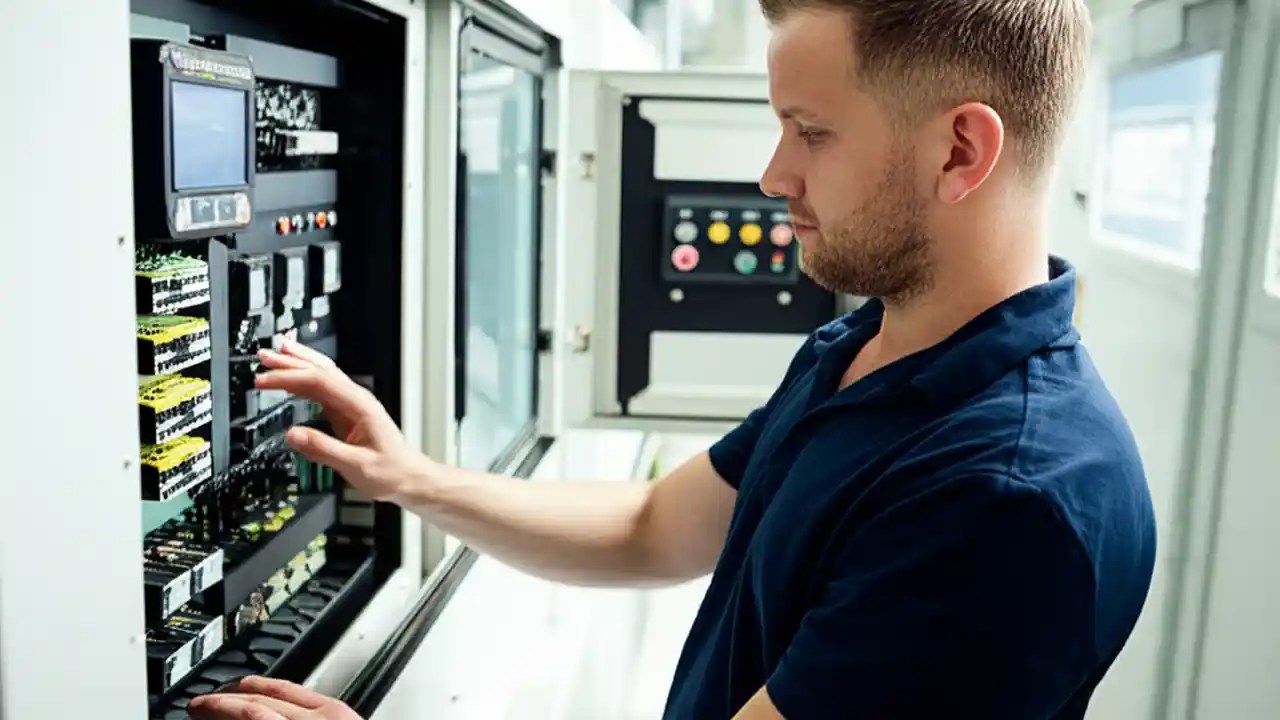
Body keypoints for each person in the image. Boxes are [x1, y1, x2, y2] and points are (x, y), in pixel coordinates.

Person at [190, 0, 1157, 718]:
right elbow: (655, 525)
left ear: (960, 152)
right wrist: (414, 481)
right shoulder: (868, 344)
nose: (774, 176)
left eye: (811, 132)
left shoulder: (1007, 502)